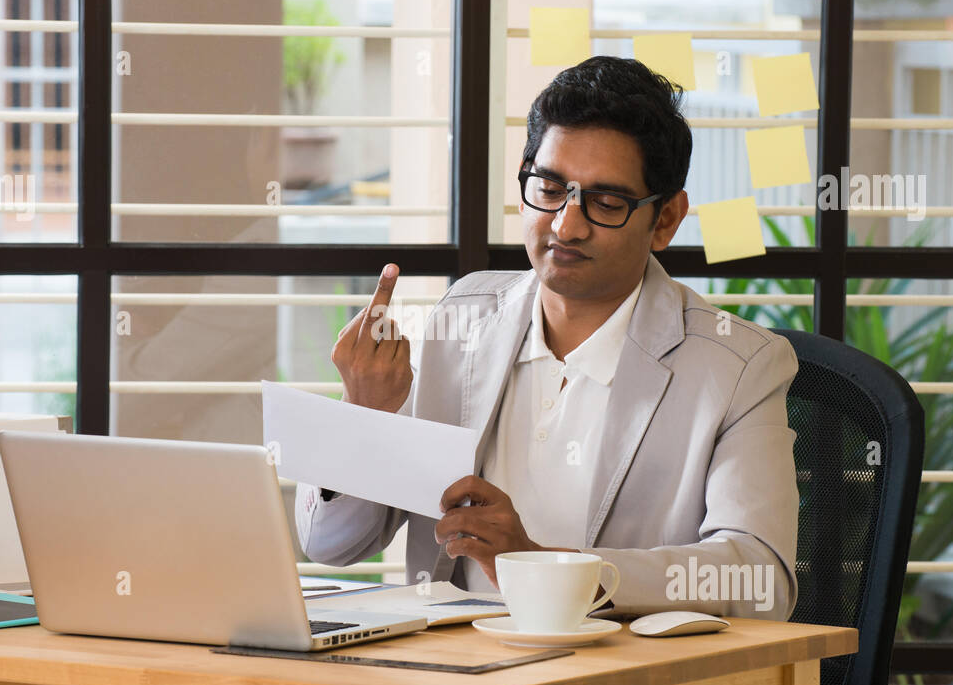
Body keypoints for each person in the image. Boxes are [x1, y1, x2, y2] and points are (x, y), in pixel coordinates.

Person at [294, 55, 799, 625]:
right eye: (551, 188)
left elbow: (760, 578)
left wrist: (545, 566)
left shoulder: (739, 367)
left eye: (606, 203)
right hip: (449, 674)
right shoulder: (460, 320)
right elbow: (330, 545)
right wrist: (362, 414)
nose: (566, 225)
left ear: (666, 220)